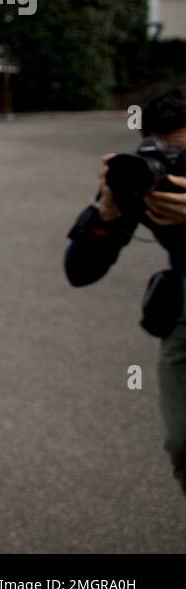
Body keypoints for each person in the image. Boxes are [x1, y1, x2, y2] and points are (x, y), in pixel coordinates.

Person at [65, 85, 186, 496]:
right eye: (168, 155)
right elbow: (80, 271)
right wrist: (108, 212)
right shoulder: (144, 181)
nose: (176, 168)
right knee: (183, 443)